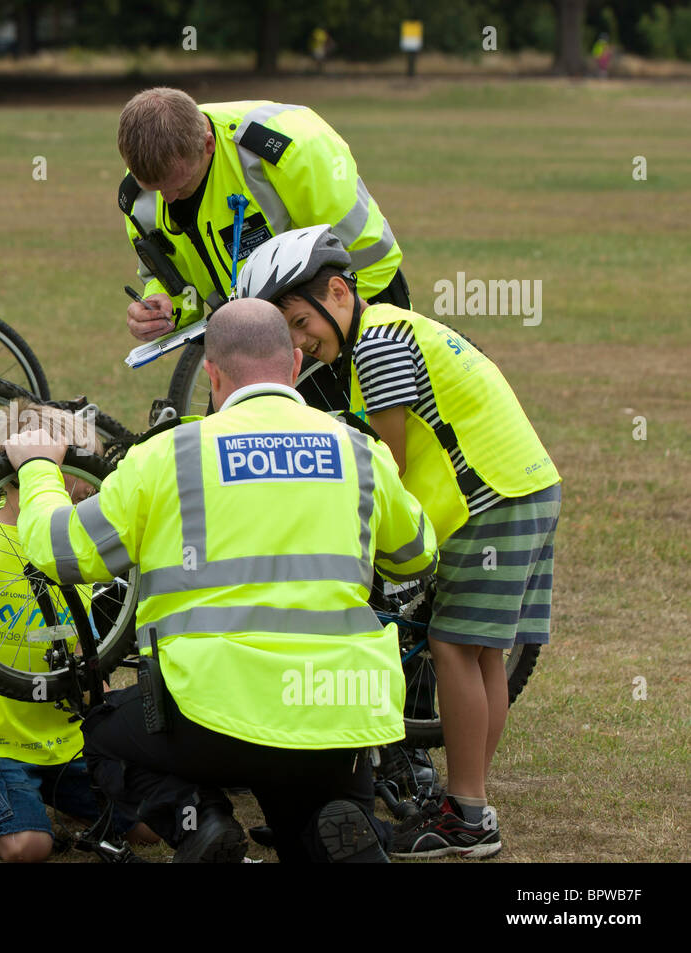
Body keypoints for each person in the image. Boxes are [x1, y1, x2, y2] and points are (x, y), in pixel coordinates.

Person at [1, 299, 438, 862]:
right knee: (309, 810)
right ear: (296, 362)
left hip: (213, 708)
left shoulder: (172, 455)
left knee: (107, 739)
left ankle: (199, 820)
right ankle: (342, 822)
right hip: (341, 711)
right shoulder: (359, 451)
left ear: (211, 373)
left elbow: (60, 552)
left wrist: (38, 466)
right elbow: (416, 556)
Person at [238, 225, 562, 858]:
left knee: (452, 647)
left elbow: (390, 457)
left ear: (338, 291)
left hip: (489, 498)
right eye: (288, 332)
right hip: (523, 485)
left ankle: (469, 816)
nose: (301, 341)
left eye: (301, 322)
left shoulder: (379, 344)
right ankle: (469, 803)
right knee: (481, 653)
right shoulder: (391, 327)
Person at [0, 401, 154, 860]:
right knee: (30, 847)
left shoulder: (78, 545)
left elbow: (84, 636)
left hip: (63, 740)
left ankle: (37, 798)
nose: (91, 487)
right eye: (83, 467)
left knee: (149, 828)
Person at [115, 86, 408, 413]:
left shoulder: (293, 149)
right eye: (155, 189)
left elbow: (372, 257)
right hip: (254, 336)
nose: (166, 199)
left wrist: (303, 323)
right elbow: (180, 286)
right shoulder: (142, 192)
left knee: (375, 449)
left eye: (179, 185)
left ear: (208, 145)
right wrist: (164, 307)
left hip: (347, 311)